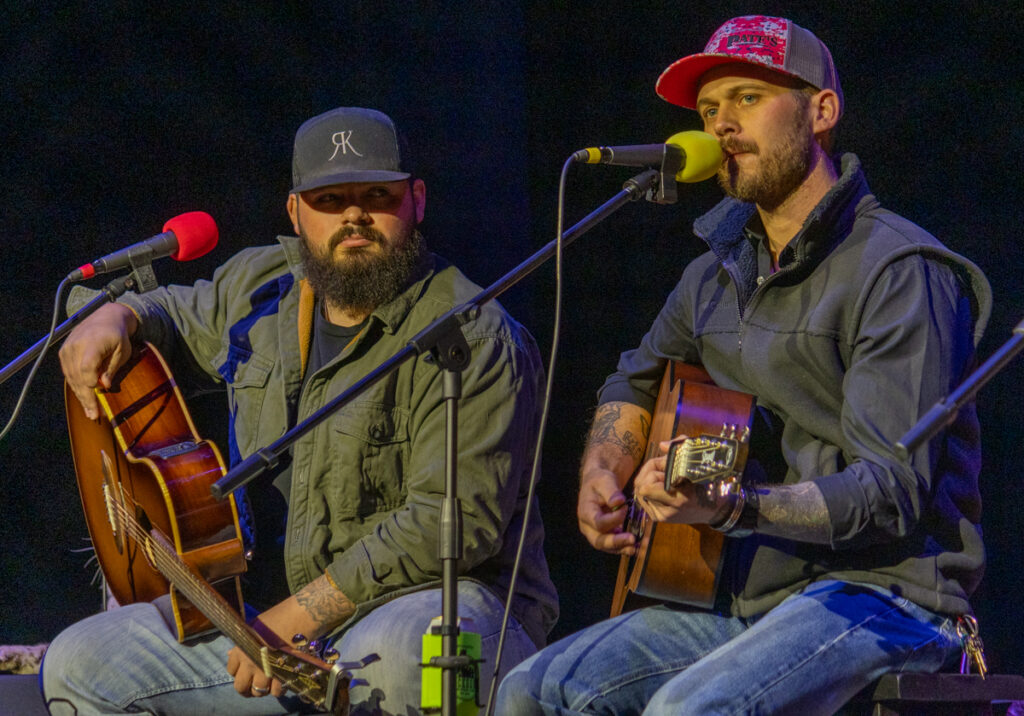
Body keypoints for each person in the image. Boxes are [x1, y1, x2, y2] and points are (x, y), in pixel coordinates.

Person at [497, 15, 991, 715]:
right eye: (708, 108)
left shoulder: (899, 270)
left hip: (888, 595)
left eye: (748, 98)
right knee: (530, 691)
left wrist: (735, 506)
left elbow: (890, 492)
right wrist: (604, 466)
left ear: (822, 111)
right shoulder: (711, 276)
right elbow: (633, 380)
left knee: (686, 711)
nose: (721, 123)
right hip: (749, 598)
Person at [44, 106, 558, 715]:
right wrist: (117, 315)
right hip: (270, 634)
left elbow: (451, 524)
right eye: (329, 198)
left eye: (377, 195)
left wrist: (302, 612)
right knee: (83, 659)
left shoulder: (474, 334)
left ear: (417, 200)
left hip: (436, 614)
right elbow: (176, 311)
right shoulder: (259, 290)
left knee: (405, 651)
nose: (354, 215)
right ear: (295, 211)